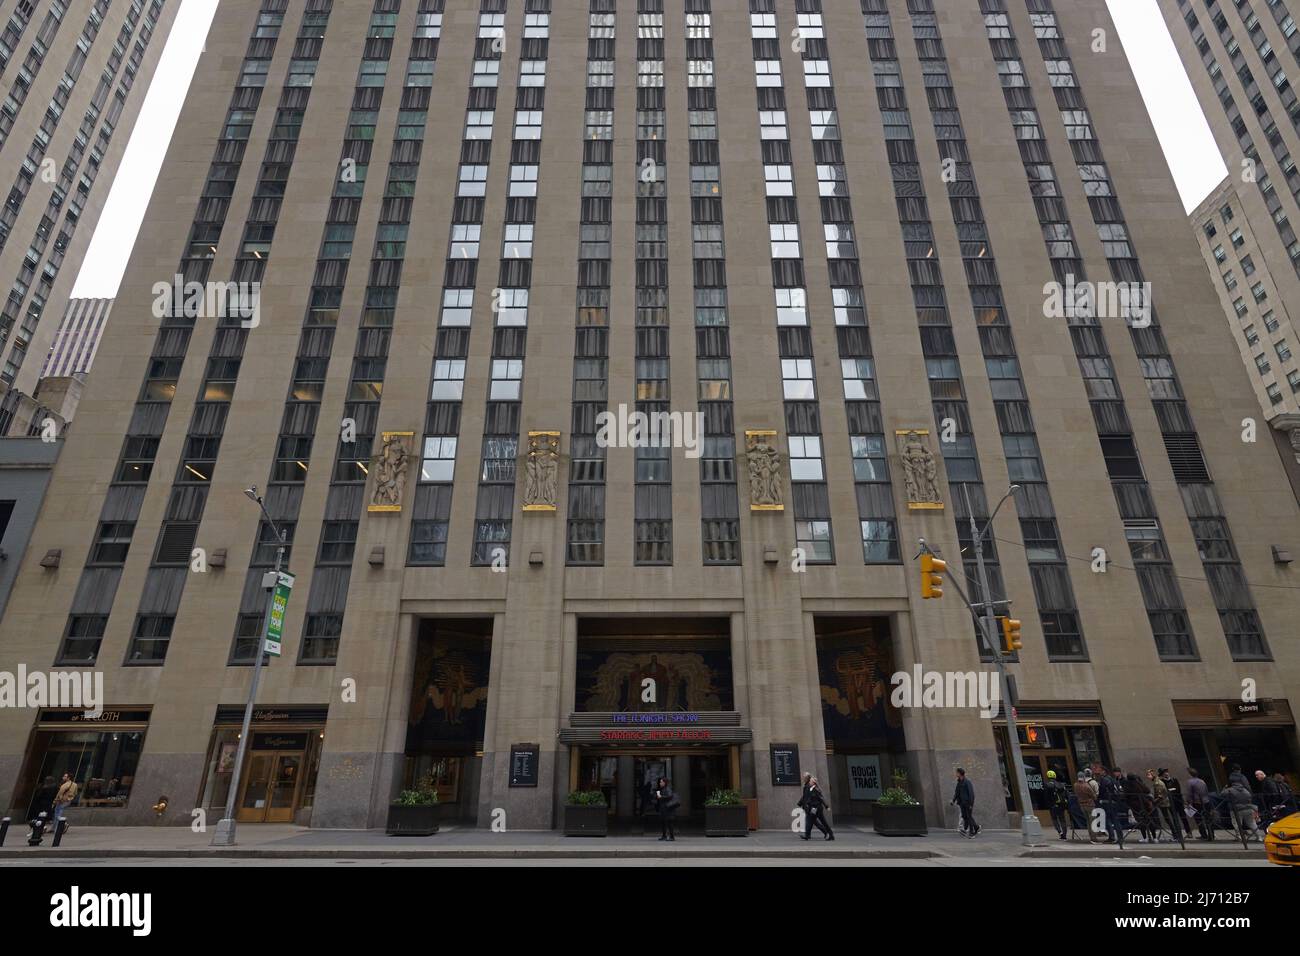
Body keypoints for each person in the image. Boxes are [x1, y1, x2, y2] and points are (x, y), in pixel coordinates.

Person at [1097, 767, 1127, 848]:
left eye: (1100, 771)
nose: (1099, 773)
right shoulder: (1114, 780)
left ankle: (1112, 837)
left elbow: (1102, 791)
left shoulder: (1104, 780)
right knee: (1116, 820)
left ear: (1104, 771)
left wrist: (1099, 798)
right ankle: (1120, 837)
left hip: (1107, 802)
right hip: (1114, 802)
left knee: (1108, 820)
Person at [1159, 769, 1191, 837]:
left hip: (1178, 801)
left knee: (1183, 817)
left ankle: (1189, 832)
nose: (1166, 774)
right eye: (1164, 773)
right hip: (1171, 803)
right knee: (1175, 818)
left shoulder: (1174, 779)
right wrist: (1172, 790)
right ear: (1162, 775)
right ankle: (1179, 834)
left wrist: (1171, 791)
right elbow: (1166, 791)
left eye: (1166, 772)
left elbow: (1178, 789)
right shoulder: (1162, 782)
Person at [1148, 769, 1178, 841]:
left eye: (1148, 775)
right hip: (1163, 802)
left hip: (1163, 803)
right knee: (1168, 819)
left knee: (1168, 819)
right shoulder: (1156, 782)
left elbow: (1160, 795)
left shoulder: (1157, 783)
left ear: (1153, 775)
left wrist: (1154, 801)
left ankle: (1175, 835)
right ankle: (1175, 834)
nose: (1147, 776)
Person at [804, 776, 834, 841]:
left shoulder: (816, 789)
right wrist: (808, 804)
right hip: (814, 808)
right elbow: (810, 799)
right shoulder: (811, 789)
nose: (809, 782)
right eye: (809, 781)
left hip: (817, 808)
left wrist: (827, 806)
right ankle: (807, 835)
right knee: (811, 821)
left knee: (821, 821)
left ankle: (830, 834)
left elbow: (821, 798)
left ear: (813, 783)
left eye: (810, 781)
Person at [1185, 768, 1212, 840]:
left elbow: (1189, 794)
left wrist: (1188, 802)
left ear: (1190, 774)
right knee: (1208, 819)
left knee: (1198, 819)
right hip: (1206, 801)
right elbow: (1206, 790)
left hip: (1197, 802)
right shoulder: (1202, 781)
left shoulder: (1190, 782)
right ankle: (1211, 835)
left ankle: (1204, 835)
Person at [952, 767, 979, 837]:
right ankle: (976, 827)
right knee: (965, 816)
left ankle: (972, 832)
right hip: (961, 803)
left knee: (969, 817)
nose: (956, 773)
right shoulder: (959, 782)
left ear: (960, 773)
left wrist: (971, 804)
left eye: (957, 772)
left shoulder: (967, 782)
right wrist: (953, 800)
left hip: (967, 803)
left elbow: (971, 794)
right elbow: (956, 792)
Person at [1074, 771, 1100, 842]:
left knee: (1088, 822)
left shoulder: (1075, 785)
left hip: (1082, 805)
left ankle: (1090, 835)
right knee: (1093, 822)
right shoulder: (1086, 786)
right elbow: (1094, 796)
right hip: (1089, 804)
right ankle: (1094, 838)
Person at [1045, 770, 1069, 841]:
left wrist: (1048, 804)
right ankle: (1064, 835)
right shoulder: (1061, 784)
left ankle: (1060, 832)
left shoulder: (1047, 785)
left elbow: (1046, 796)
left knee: (1054, 819)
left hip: (1053, 805)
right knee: (1062, 819)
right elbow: (1066, 794)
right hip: (1062, 804)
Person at [654, 776, 678, 842]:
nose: (660, 783)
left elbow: (669, 796)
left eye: (661, 782)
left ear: (665, 782)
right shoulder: (663, 789)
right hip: (664, 809)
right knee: (663, 823)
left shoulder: (667, 789)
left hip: (668, 809)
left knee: (669, 823)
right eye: (660, 782)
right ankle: (664, 836)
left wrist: (661, 797)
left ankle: (672, 837)